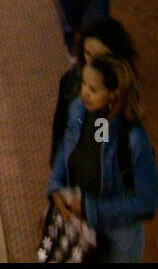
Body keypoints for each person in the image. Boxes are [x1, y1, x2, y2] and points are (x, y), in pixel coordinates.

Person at [47, 52, 158, 263]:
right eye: (83, 85)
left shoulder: (133, 138)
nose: (84, 94)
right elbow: (65, 151)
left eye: (93, 89)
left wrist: (92, 209)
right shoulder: (78, 112)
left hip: (117, 238)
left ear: (113, 94)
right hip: (78, 226)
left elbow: (148, 199)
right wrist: (55, 186)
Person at [50, 16, 138, 164]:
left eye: (99, 56)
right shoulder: (70, 81)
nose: (91, 61)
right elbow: (60, 124)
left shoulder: (122, 90)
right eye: (88, 53)